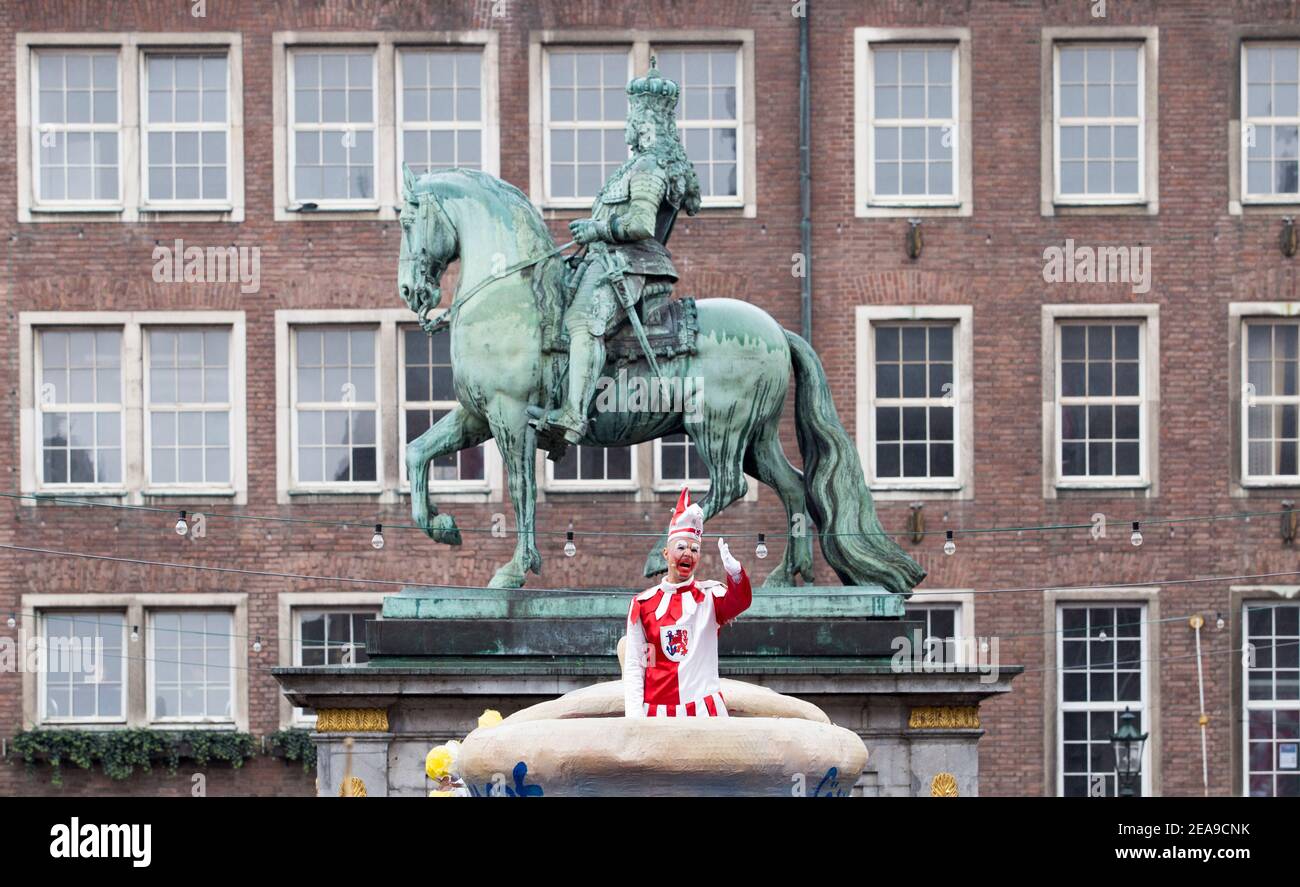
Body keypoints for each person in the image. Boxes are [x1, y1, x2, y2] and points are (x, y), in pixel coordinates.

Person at [527, 58, 702, 446]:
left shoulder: (650, 168)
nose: (627, 126)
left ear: (645, 123)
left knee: (581, 322)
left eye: (632, 118)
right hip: (606, 261)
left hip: (633, 266)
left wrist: (597, 229)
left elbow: (640, 224)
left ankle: (573, 415)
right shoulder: (634, 166)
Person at [623, 487, 752, 717]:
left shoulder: (710, 596)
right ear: (665, 553)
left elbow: (739, 602)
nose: (688, 554)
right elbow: (635, 665)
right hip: (658, 716)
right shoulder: (642, 605)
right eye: (681, 547)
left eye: (695, 549)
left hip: (704, 713)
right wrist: (635, 718)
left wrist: (735, 574)